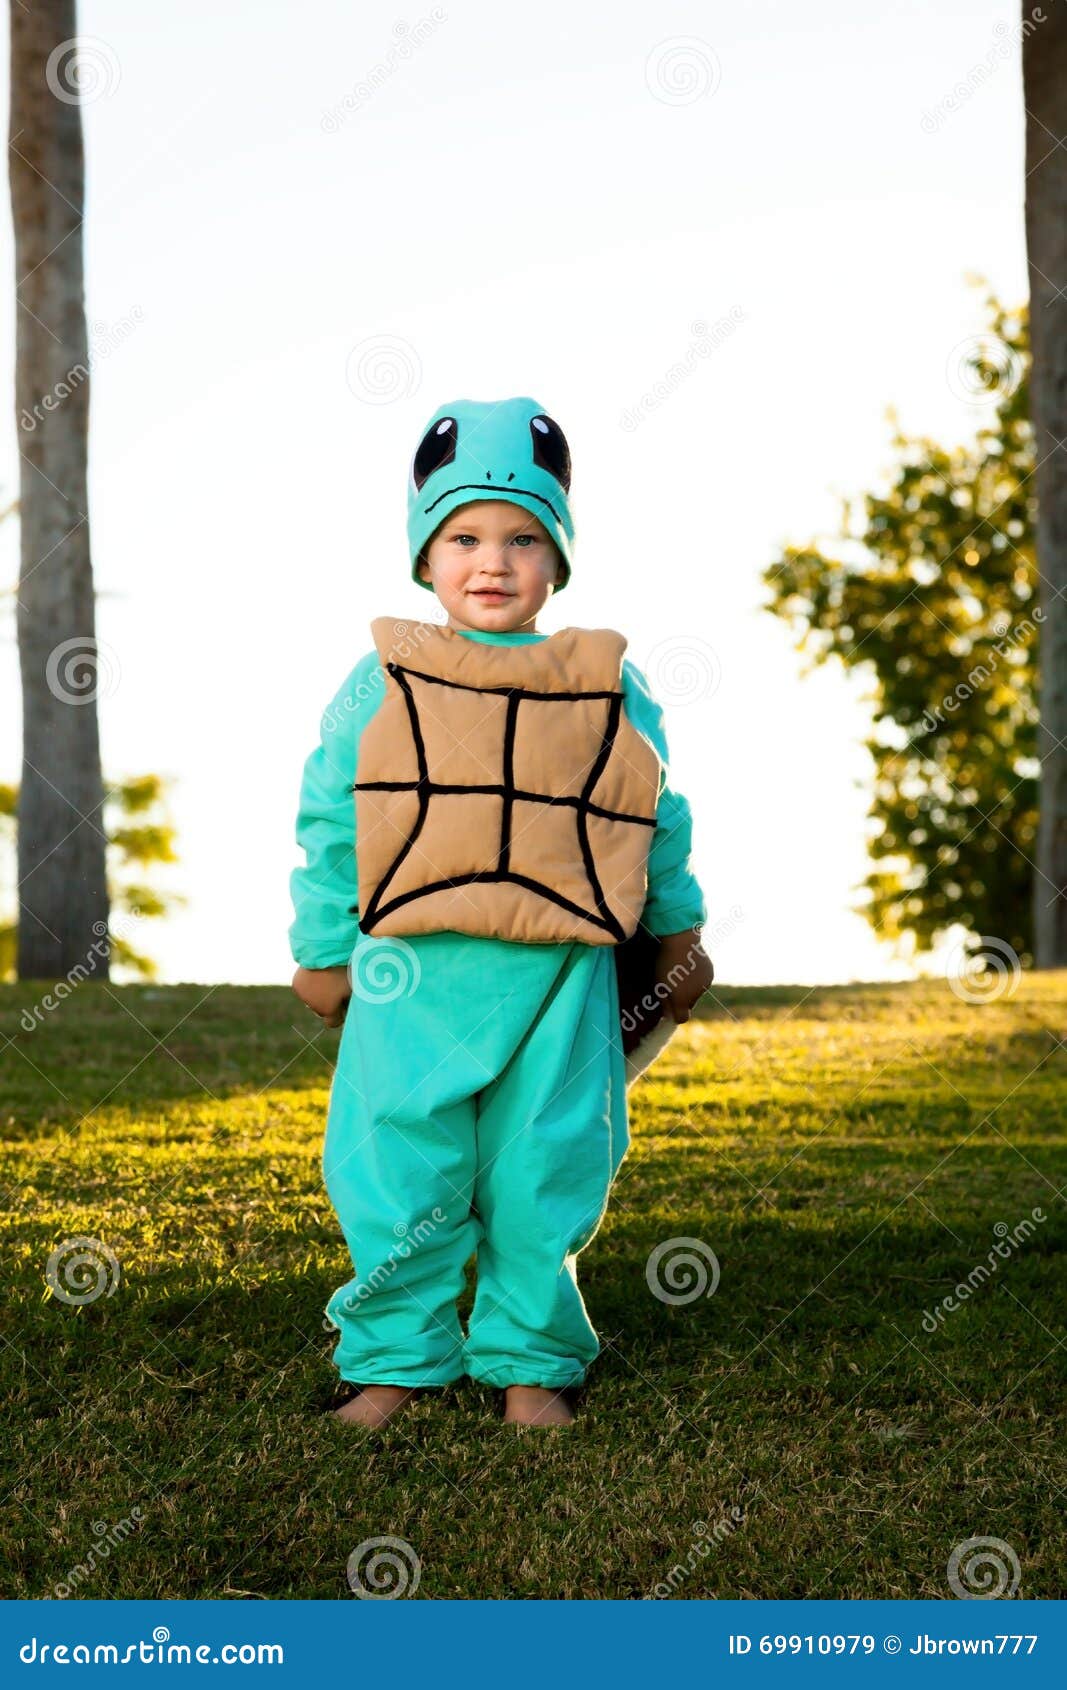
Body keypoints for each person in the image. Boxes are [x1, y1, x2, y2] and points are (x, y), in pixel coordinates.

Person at [289, 395, 712, 1429]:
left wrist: (677, 928)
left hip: (557, 980)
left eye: (524, 538)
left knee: (545, 1168)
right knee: (394, 1168)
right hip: (407, 978)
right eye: (462, 536)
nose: (492, 559)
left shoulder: (608, 682)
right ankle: (391, 1360)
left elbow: (652, 807)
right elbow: (329, 814)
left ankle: (531, 1357)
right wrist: (318, 949)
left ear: (557, 561)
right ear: (423, 557)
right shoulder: (379, 678)